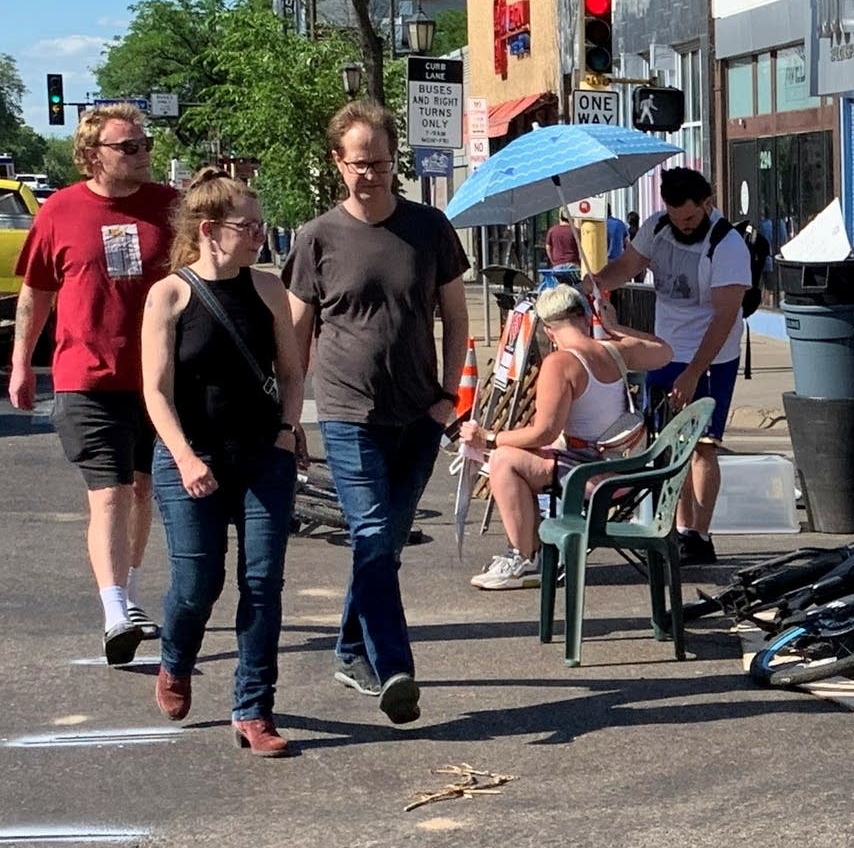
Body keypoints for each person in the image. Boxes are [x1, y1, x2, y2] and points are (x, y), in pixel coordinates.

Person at [284, 100, 469, 725]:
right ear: (339, 163)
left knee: (384, 544)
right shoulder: (317, 238)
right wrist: (291, 416)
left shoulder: (430, 228)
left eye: (383, 162)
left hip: (420, 412)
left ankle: (349, 648)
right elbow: (296, 335)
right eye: (360, 163)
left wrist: (449, 396)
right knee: (369, 532)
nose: (373, 173)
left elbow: (457, 316)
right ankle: (394, 666)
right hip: (346, 410)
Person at [139, 169, 305, 756]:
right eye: (248, 226)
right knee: (197, 583)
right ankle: (177, 659)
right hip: (192, 459)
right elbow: (155, 392)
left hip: (263, 457)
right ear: (209, 231)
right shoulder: (170, 295)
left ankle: (254, 709)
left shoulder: (266, 290)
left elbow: (290, 371)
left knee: (262, 584)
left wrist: (287, 431)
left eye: (261, 225)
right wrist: (184, 458)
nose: (259, 236)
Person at [7, 103, 176, 664]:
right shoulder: (60, 211)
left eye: (144, 143)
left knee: (144, 491)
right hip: (86, 378)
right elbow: (36, 292)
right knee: (110, 493)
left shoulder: (170, 209)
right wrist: (21, 363)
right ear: (92, 155)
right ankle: (112, 613)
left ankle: (127, 592)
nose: (142, 152)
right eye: (128, 146)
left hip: (160, 379)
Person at [461, 286, 674, 589]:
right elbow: (665, 351)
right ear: (585, 317)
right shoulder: (615, 351)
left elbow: (544, 432)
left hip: (590, 475)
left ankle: (522, 556)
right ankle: (528, 552)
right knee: (515, 457)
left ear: (548, 331)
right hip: (623, 468)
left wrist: (490, 437)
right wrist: (613, 327)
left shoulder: (560, 363)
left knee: (504, 460)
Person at [588, 167, 748, 566]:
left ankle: (700, 534)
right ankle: (676, 529)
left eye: (690, 219)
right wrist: (595, 283)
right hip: (664, 348)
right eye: (676, 218)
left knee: (702, 445)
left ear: (707, 204)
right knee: (665, 441)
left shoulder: (726, 245)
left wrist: (694, 371)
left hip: (711, 354)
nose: (683, 226)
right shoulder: (658, 228)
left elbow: (725, 316)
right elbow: (626, 266)